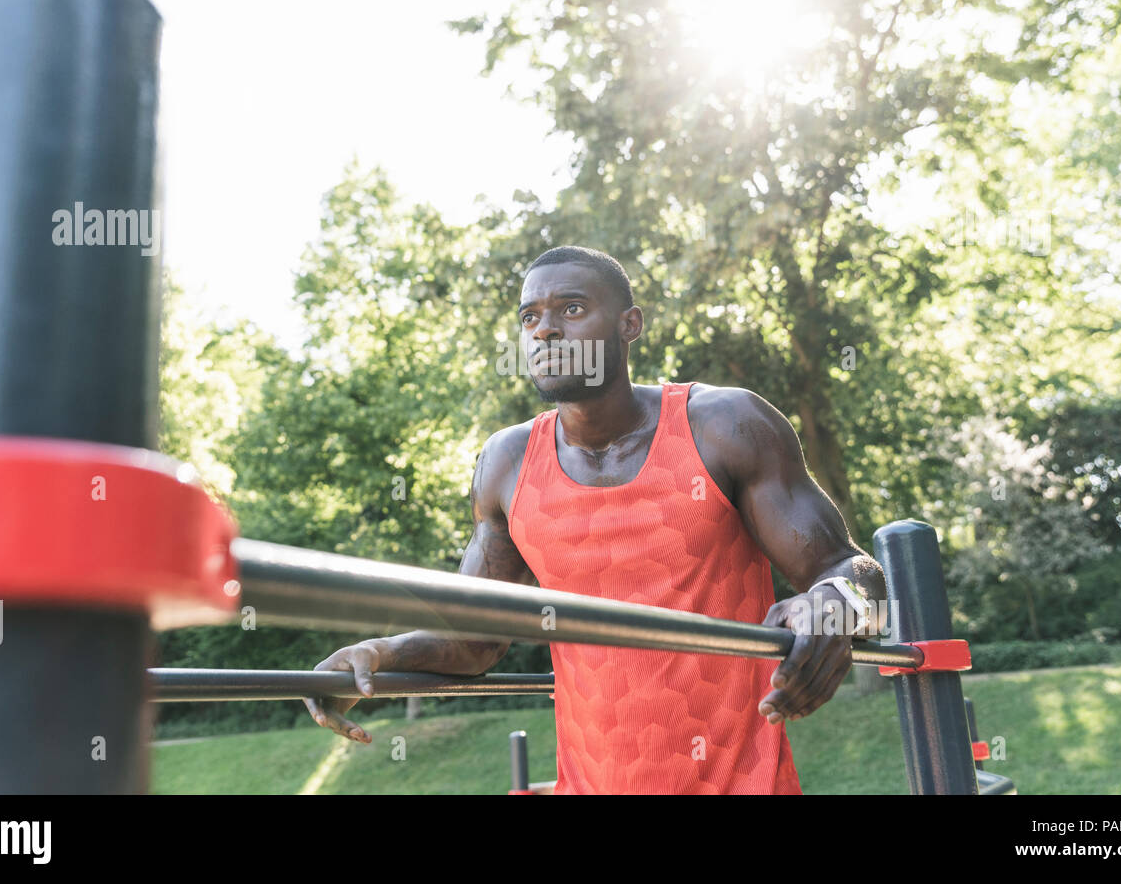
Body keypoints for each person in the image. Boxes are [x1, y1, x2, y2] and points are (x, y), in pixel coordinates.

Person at [305, 245, 888, 794]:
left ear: (629, 325)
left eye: (572, 309)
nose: (546, 329)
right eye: (529, 317)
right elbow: (476, 637)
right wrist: (380, 654)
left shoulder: (726, 425)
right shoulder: (506, 465)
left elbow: (850, 569)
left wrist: (834, 602)